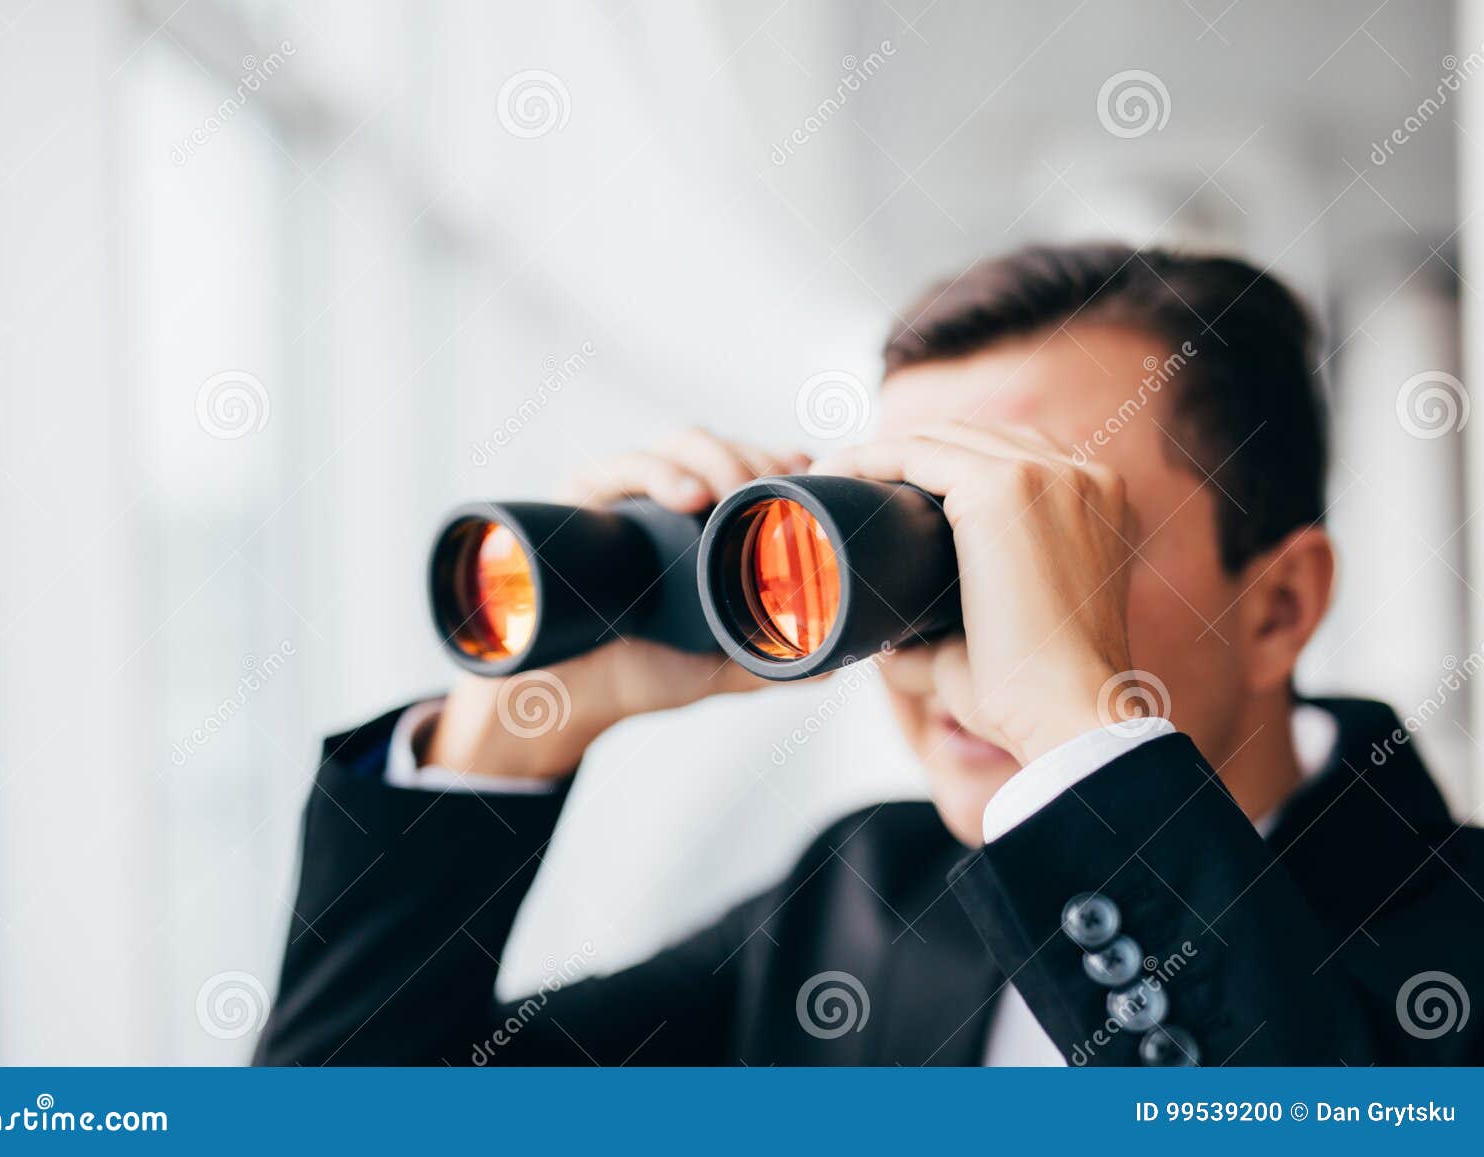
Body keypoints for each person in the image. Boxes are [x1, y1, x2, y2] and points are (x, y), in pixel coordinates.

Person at [255, 242, 1483, 1066]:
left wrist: (1071, 719)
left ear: (1277, 604)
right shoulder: (860, 899)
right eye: (918, 553)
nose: (940, 643)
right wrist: (514, 727)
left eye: (1044, 537)